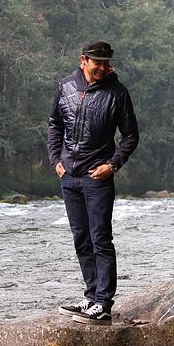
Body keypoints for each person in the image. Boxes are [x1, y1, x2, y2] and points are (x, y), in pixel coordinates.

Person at [46, 41, 139, 325]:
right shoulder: (65, 86)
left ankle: (103, 303)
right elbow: (54, 124)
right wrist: (55, 160)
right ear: (83, 60)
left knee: (101, 238)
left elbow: (131, 136)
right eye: (97, 62)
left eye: (106, 63)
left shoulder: (118, 93)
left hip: (97, 177)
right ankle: (90, 296)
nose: (103, 68)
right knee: (81, 238)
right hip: (69, 177)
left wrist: (112, 165)